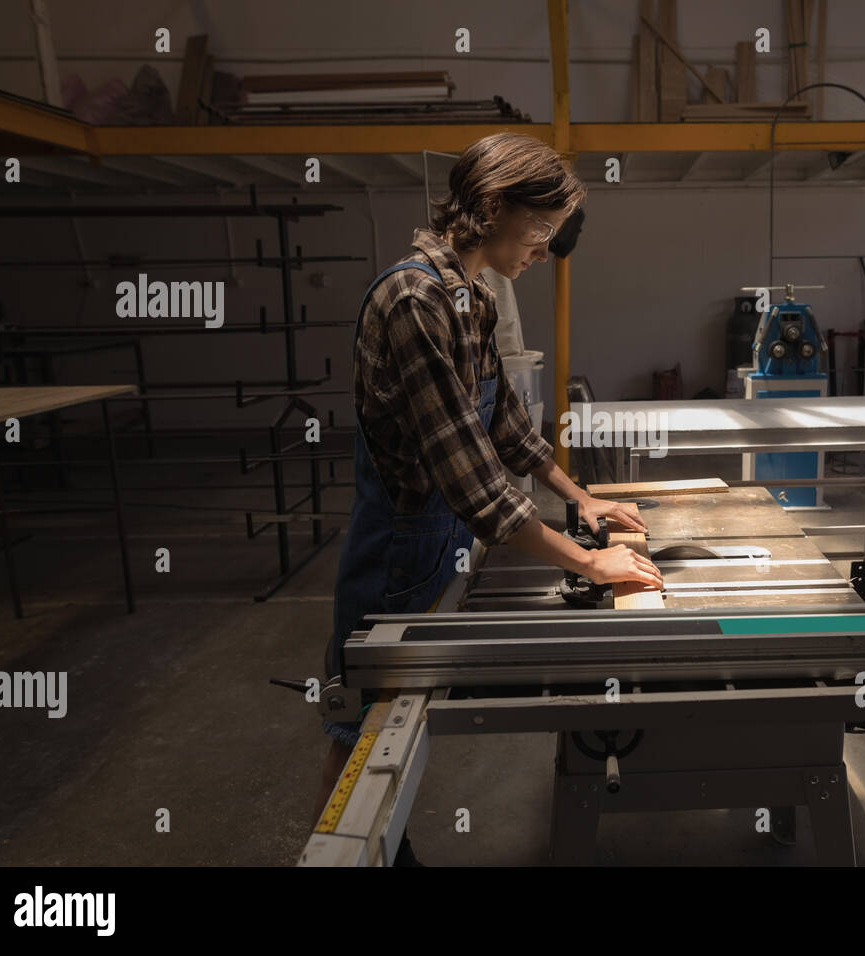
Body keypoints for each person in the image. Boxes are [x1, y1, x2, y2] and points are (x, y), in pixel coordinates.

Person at [313, 133, 663, 863]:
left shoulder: (470, 294)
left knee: (394, 731)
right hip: (400, 546)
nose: (545, 249)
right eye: (539, 231)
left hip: (441, 536)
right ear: (493, 206)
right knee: (364, 731)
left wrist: (582, 497)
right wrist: (589, 564)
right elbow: (474, 480)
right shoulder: (414, 300)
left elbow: (503, 423)